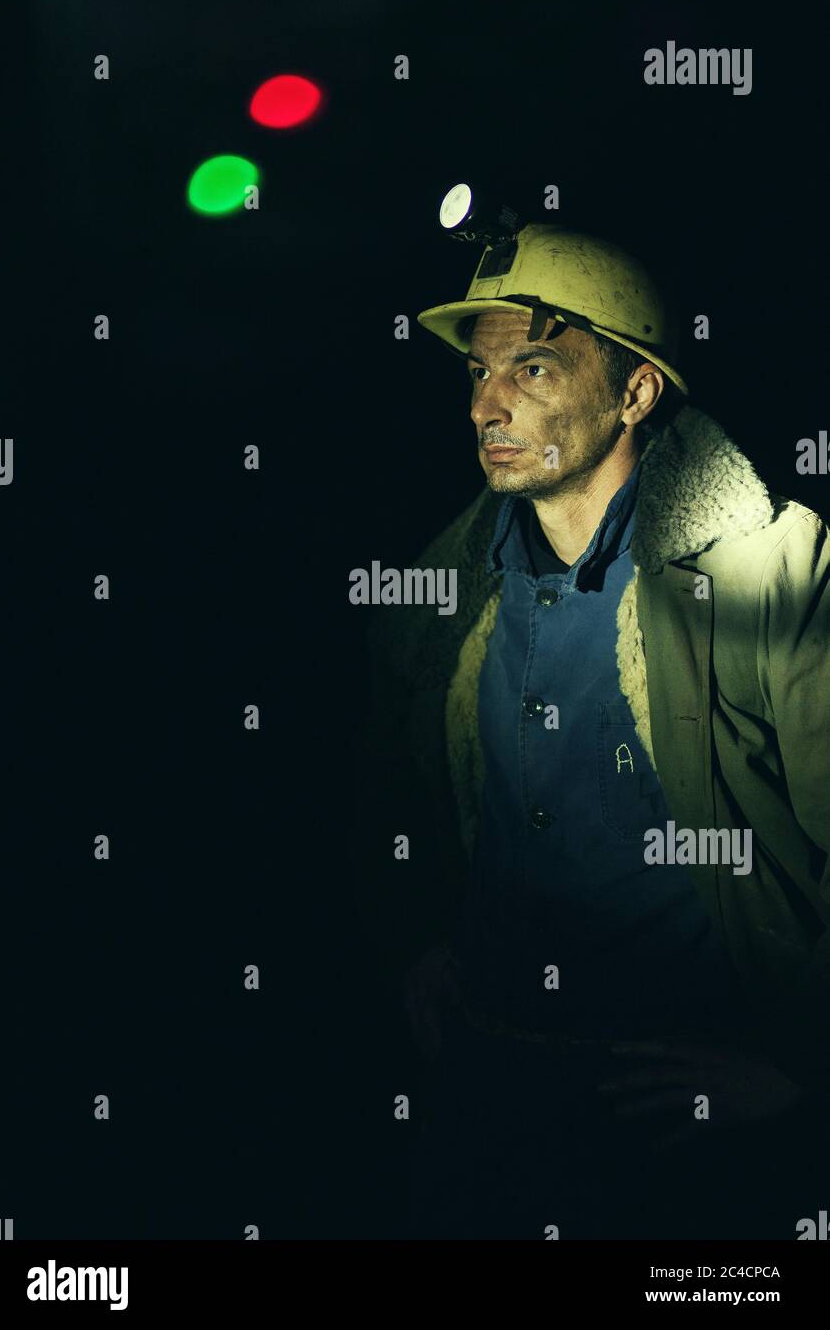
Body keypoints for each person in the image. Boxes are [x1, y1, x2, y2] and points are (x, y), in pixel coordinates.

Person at [349, 224, 830, 1238]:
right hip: (489, 1093)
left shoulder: (766, 571)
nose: (488, 403)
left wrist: (801, 1070)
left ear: (636, 391)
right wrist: (417, 944)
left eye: (532, 366)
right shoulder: (439, 595)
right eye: (480, 372)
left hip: (679, 1122)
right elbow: (392, 800)